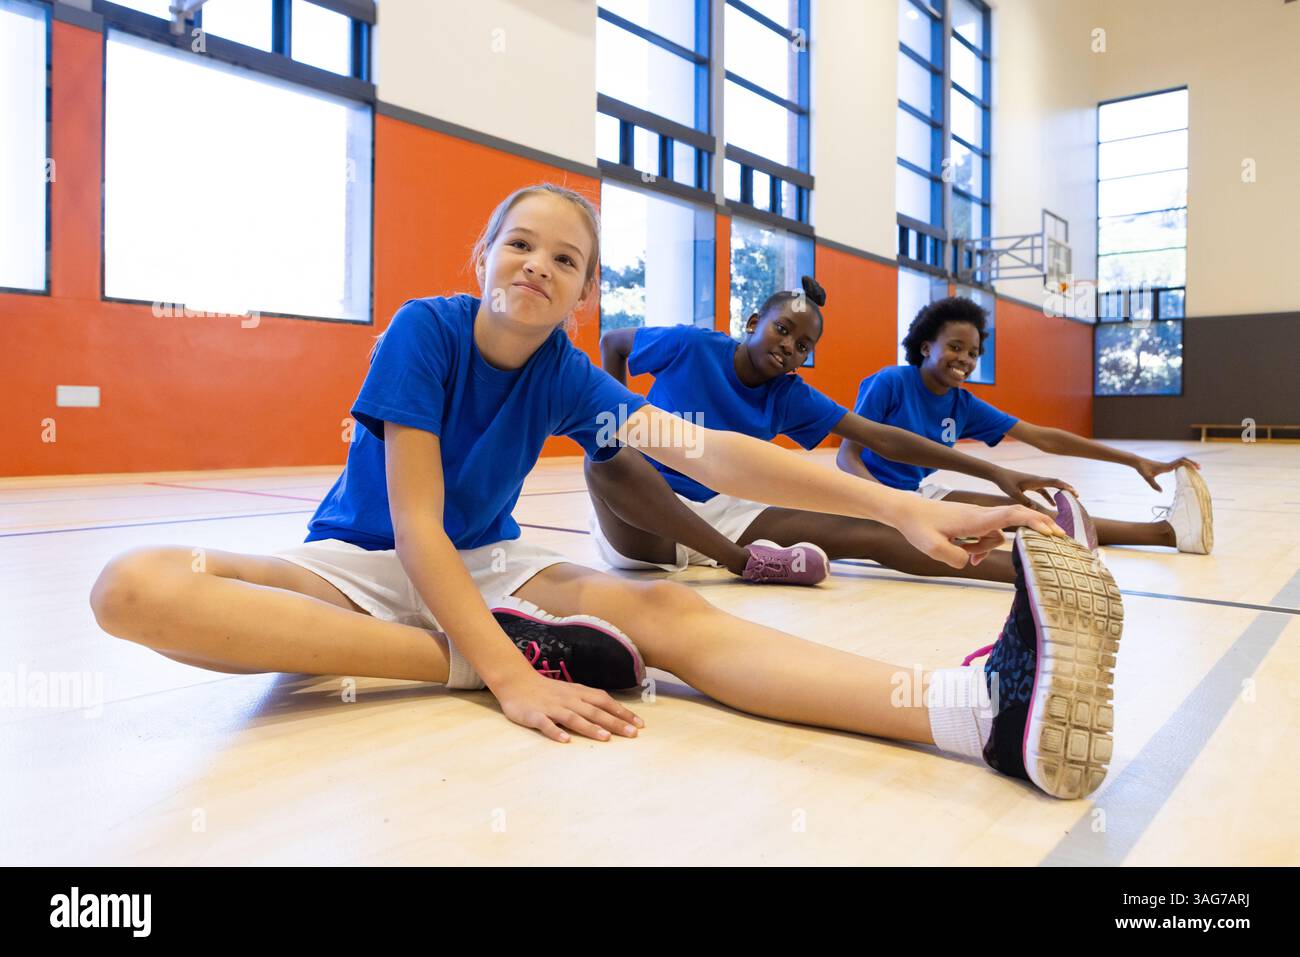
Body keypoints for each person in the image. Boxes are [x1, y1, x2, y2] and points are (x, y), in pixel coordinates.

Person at [88, 183, 1120, 799]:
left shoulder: (568, 376)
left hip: (493, 565)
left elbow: (711, 454)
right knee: (136, 588)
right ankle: (461, 659)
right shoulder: (425, 330)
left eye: (567, 259)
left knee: (667, 609)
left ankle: (971, 711)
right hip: (359, 566)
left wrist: (901, 505)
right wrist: (506, 671)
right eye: (521, 245)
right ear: (484, 258)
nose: (539, 264)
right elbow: (411, 527)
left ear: (587, 294)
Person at [587, 275, 1076, 586]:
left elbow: (880, 437)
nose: (790, 348)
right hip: (642, 524)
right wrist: (622, 408)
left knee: (876, 529)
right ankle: (743, 563)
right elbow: (614, 341)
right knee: (607, 453)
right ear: (754, 321)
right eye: (782, 330)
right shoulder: (691, 346)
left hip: (722, 511)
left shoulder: (789, 393)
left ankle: (1033, 576)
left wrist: (992, 471)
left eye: (803, 346)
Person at [839, 295, 1213, 555]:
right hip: (865, 499)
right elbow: (846, 457)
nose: (965, 359)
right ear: (925, 347)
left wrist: (1132, 460)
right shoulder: (890, 382)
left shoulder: (962, 404)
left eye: (973, 353)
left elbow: (1043, 438)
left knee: (1030, 514)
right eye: (955, 347)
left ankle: (1170, 534)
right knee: (1011, 521)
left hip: (917, 496)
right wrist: (888, 504)